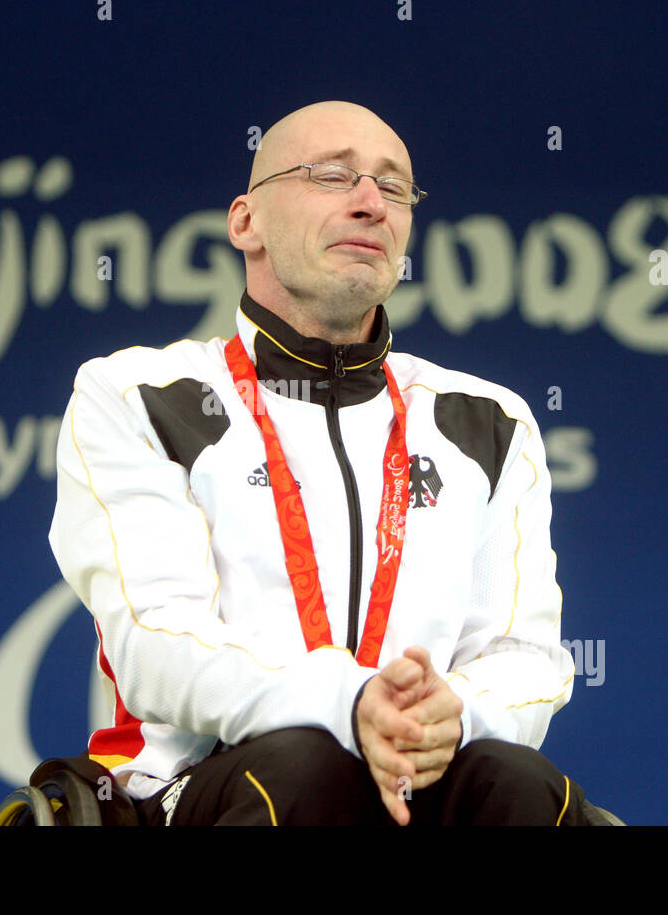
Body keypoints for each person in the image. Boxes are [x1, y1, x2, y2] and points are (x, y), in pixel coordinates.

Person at [49, 101, 593, 825]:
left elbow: (526, 655)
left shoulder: (488, 418)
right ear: (246, 222)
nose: (370, 203)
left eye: (394, 187)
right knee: (305, 770)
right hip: (200, 786)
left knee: (519, 784)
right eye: (332, 175)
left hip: (415, 777)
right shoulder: (141, 394)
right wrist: (350, 703)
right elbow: (156, 642)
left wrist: (449, 716)